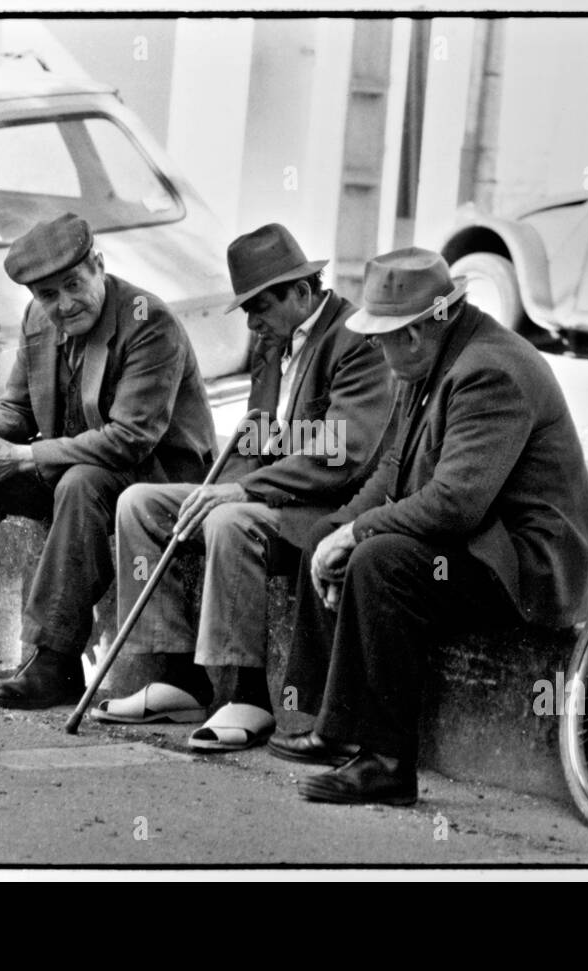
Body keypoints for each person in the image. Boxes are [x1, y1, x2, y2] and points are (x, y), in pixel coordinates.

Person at [270, 248, 588, 804]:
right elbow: (391, 474)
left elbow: (454, 504)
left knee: (381, 561)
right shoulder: (423, 363)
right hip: (481, 542)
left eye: (384, 335)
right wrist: (340, 529)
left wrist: (359, 536)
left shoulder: (490, 371)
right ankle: (334, 726)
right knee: (327, 532)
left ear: (422, 330)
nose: (375, 346)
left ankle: (387, 763)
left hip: (525, 567)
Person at [0, 213, 216, 710]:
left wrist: (20, 456)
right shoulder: (41, 320)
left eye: (73, 286)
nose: (63, 304)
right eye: (47, 294)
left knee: (78, 485)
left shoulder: (149, 322)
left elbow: (129, 440)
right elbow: (14, 407)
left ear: (98, 266)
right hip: (77, 464)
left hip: (157, 477)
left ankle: (55, 662)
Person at [91, 224, 392, 751]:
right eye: (247, 309)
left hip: (326, 509)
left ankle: (247, 695)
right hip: (272, 494)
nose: (252, 322)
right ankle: (179, 678)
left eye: (260, 307)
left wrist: (242, 492)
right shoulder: (272, 345)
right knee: (139, 504)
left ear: (302, 292)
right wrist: (222, 485)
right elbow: (256, 444)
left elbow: (343, 452)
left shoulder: (356, 342)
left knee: (230, 518)